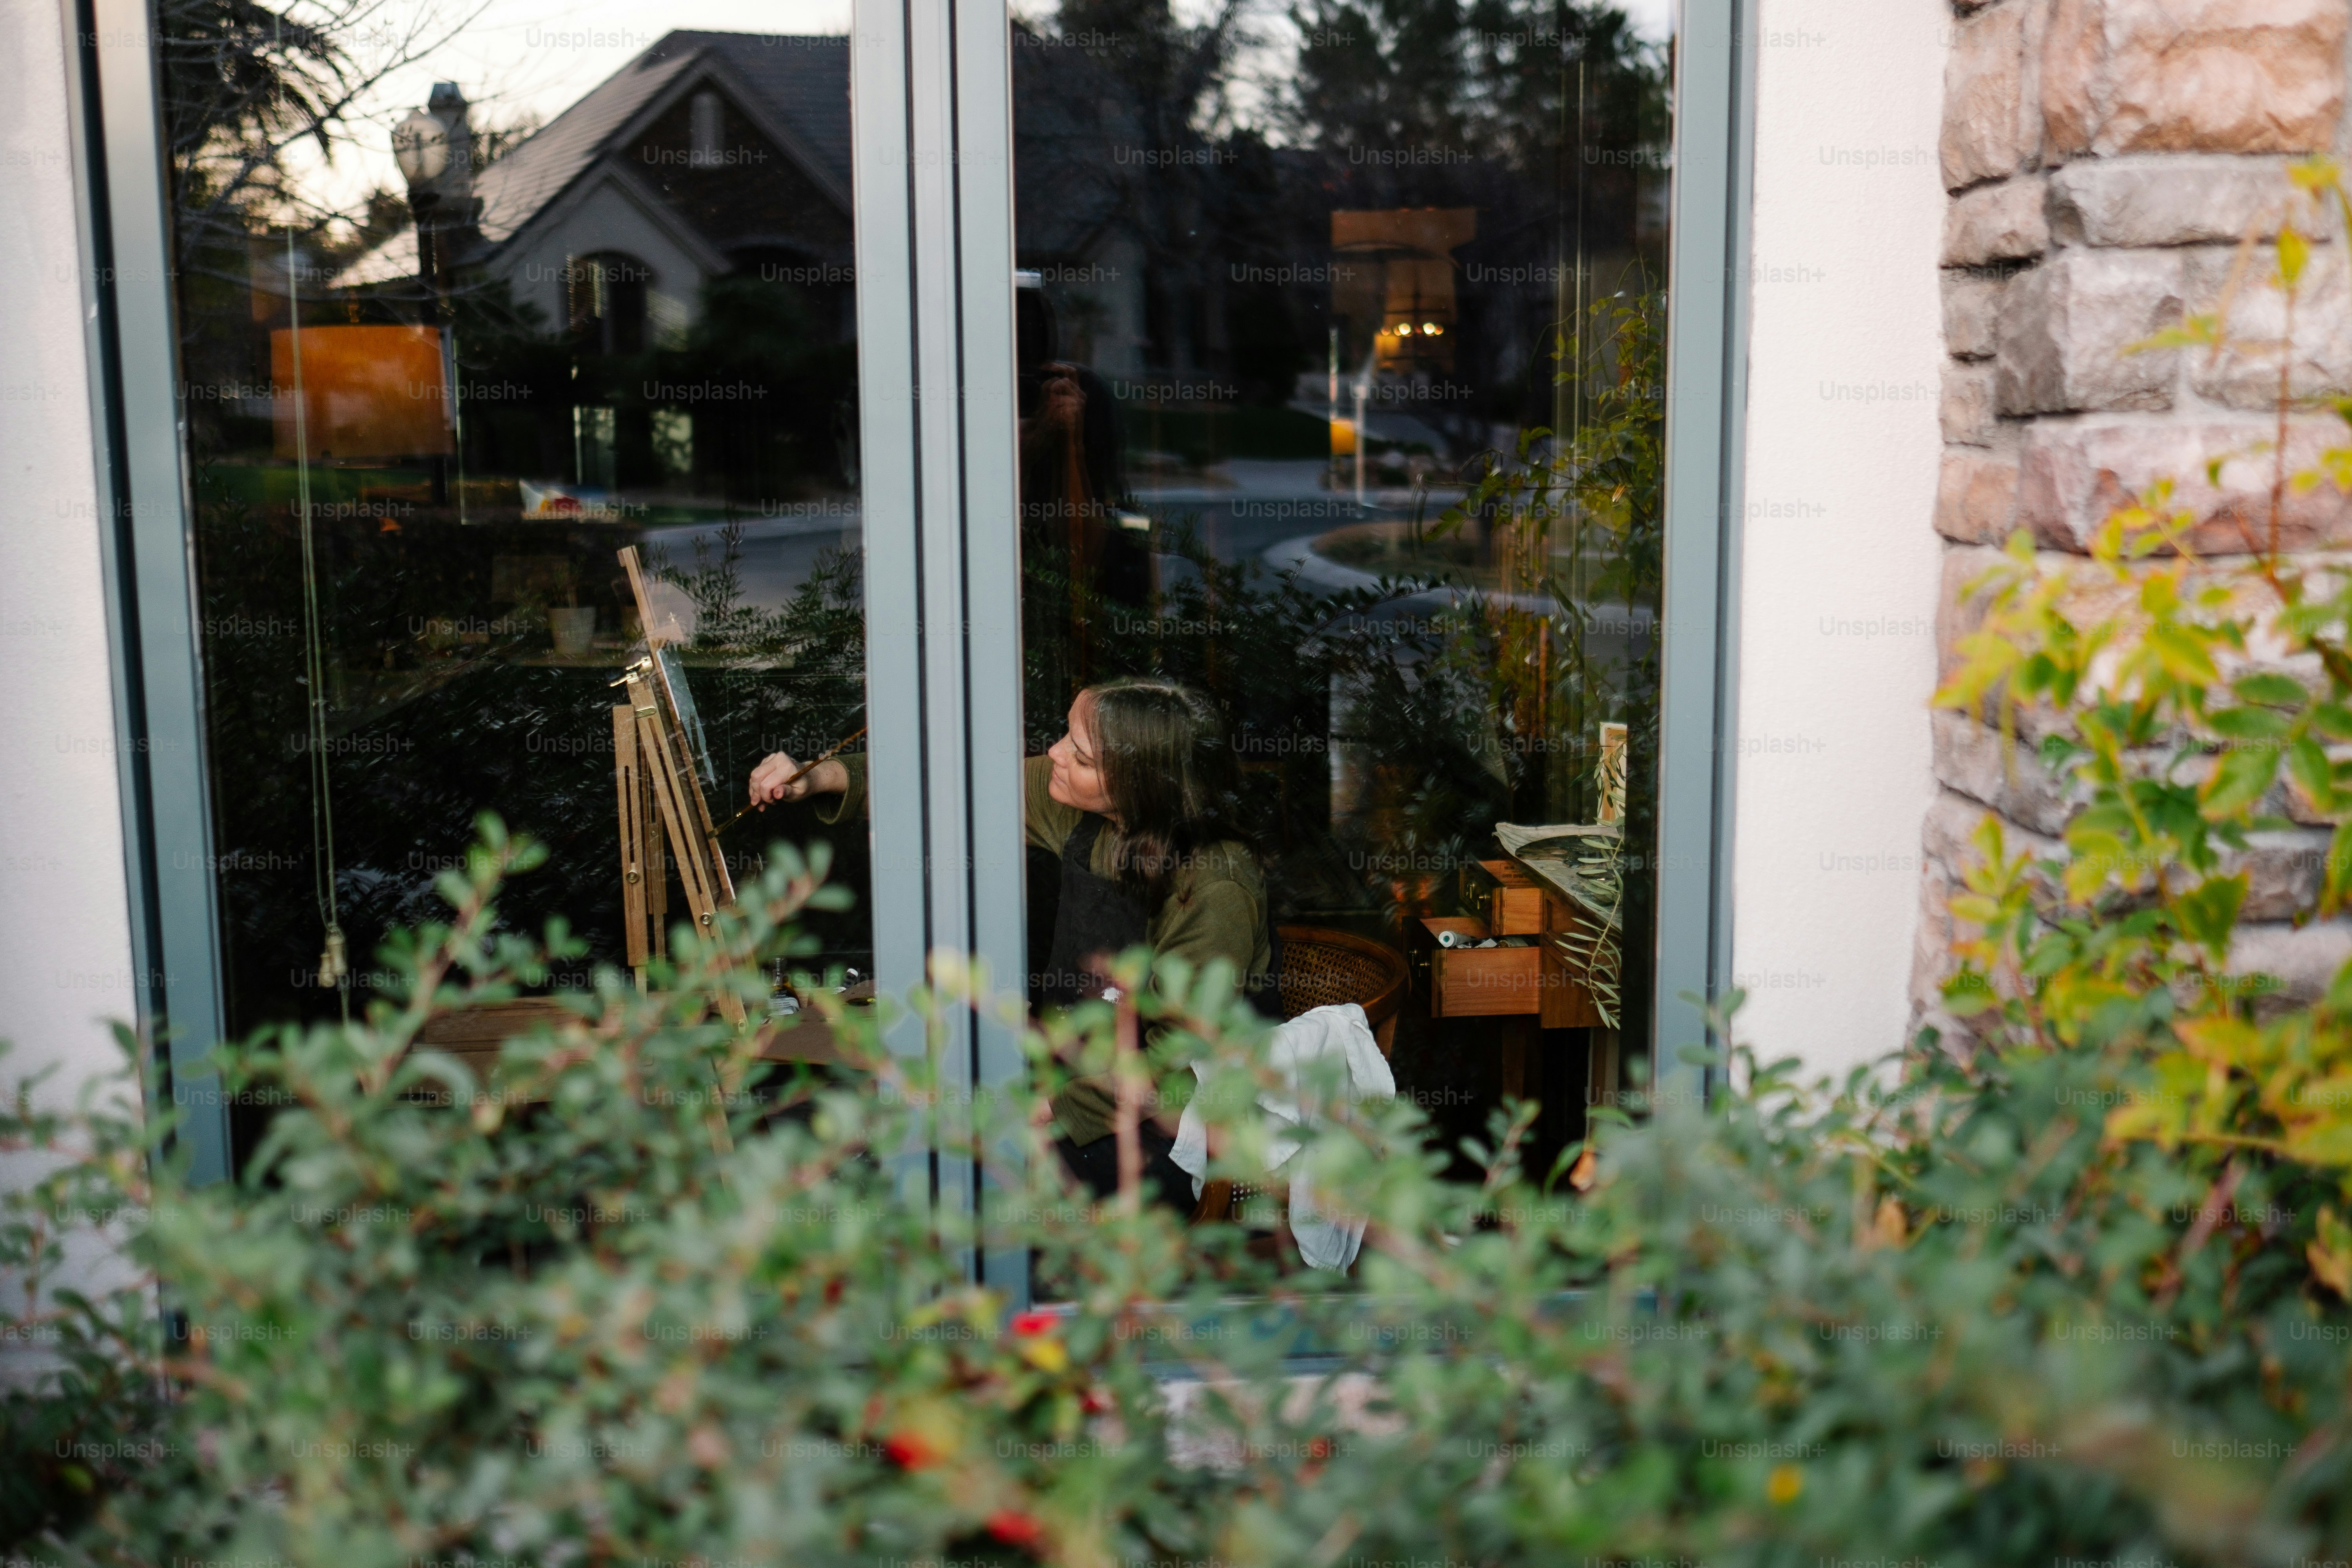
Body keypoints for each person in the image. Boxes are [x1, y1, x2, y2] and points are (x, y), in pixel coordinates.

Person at [746, 677, 1281, 1210]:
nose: (1055, 755)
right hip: (1067, 1072)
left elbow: (1173, 1063)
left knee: (960, 1183)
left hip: (1167, 1126)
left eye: (1081, 755)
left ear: (1145, 784)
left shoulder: (1214, 883)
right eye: (1065, 738)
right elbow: (954, 783)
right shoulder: (1086, 813)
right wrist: (818, 778)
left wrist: (1041, 1111)